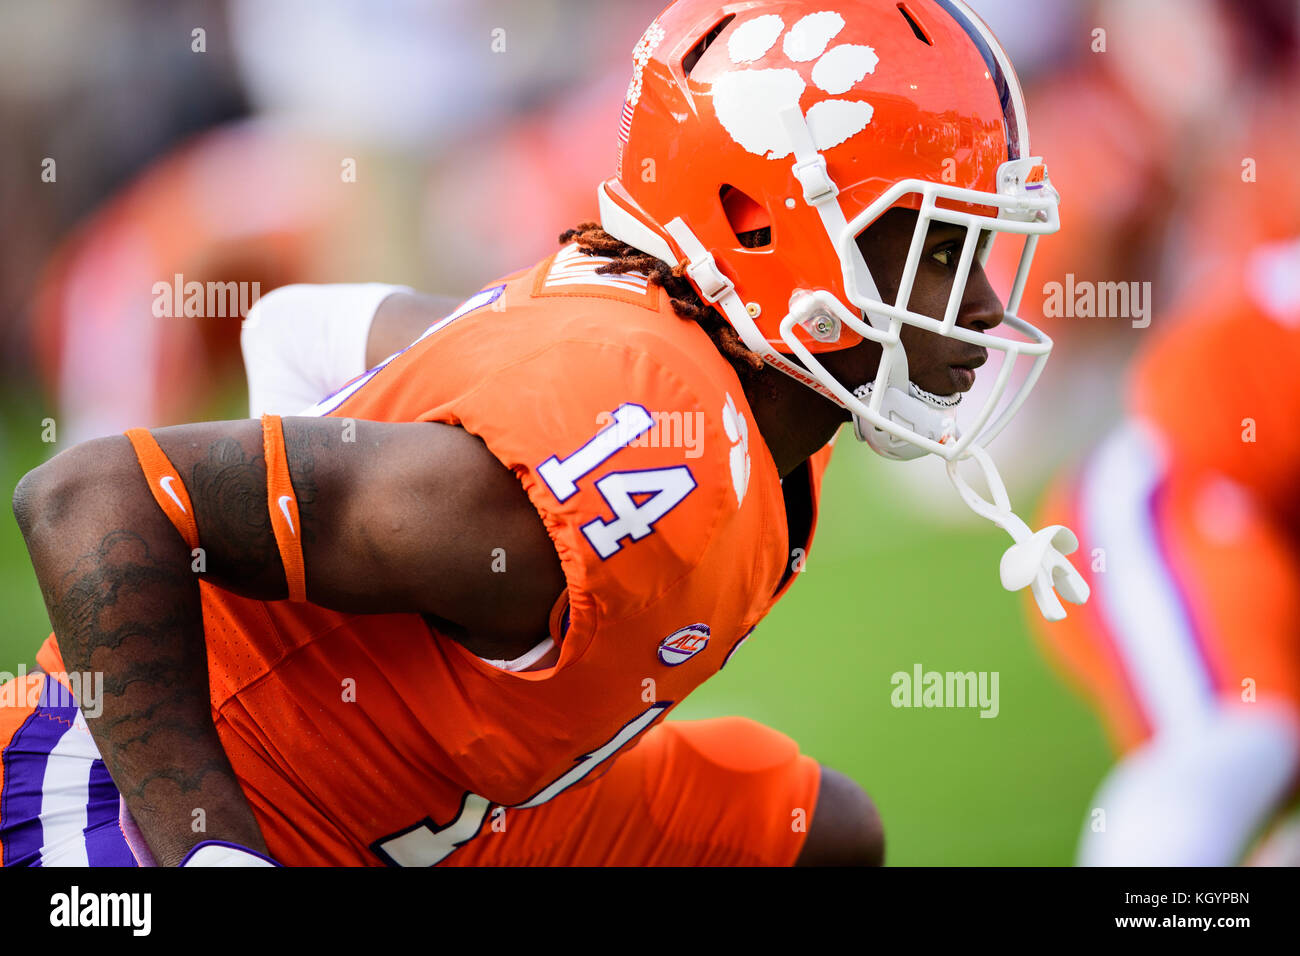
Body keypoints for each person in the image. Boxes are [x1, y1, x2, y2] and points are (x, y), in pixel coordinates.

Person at [4, 0, 1082, 866]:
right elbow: (92, 495)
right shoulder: (643, 444)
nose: (981, 304)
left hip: (446, 790)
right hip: (115, 785)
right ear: (763, 224)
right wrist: (210, 849)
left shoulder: (722, 391)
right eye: (942, 250)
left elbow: (302, 323)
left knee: (813, 835)